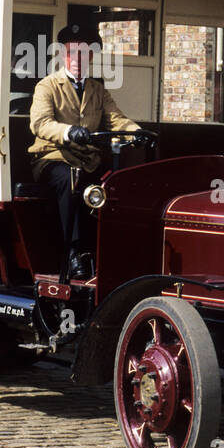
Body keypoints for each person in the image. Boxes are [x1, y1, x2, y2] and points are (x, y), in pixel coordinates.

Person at [29, 19, 145, 278]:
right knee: (69, 180)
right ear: (63, 55)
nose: (77, 59)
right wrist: (69, 132)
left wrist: (138, 133)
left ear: (91, 56)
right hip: (53, 157)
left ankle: (109, 253)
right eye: (72, 53)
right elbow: (40, 123)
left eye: (83, 53)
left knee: (117, 184)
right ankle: (73, 255)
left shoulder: (97, 90)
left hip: (87, 160)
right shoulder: (47, 86)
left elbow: (117, 119)